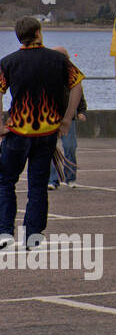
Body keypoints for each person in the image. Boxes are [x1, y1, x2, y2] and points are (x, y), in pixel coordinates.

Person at [0, 17, 84, 250]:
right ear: (38, 32)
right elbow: (76, 85)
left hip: (17, 130)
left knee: (5, 180)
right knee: (38, 185)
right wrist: (67, 118)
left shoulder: (8, 62)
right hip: (47, 131)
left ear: (19, 36)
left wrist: (0, 123)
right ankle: (33, 235)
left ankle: (5, 231)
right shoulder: (58, 60)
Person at [47, 46, 87, 190]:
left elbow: (79, 96)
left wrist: (82, 111)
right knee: (50, 149)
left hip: (69, 119)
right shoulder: (46, 74)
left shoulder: (72, 75)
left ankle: (70, 178)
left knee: (70, 147)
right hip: (50, 118)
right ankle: (52, 180)